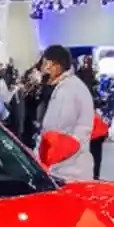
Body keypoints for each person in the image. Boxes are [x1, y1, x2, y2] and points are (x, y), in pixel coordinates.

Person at [38, 45, 94, 181]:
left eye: (47, 64)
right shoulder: (69, 86)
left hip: (69, 170)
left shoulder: (67, 91)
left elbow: (56, 128)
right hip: (68, 165)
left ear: (57, 66)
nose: (44, 69)